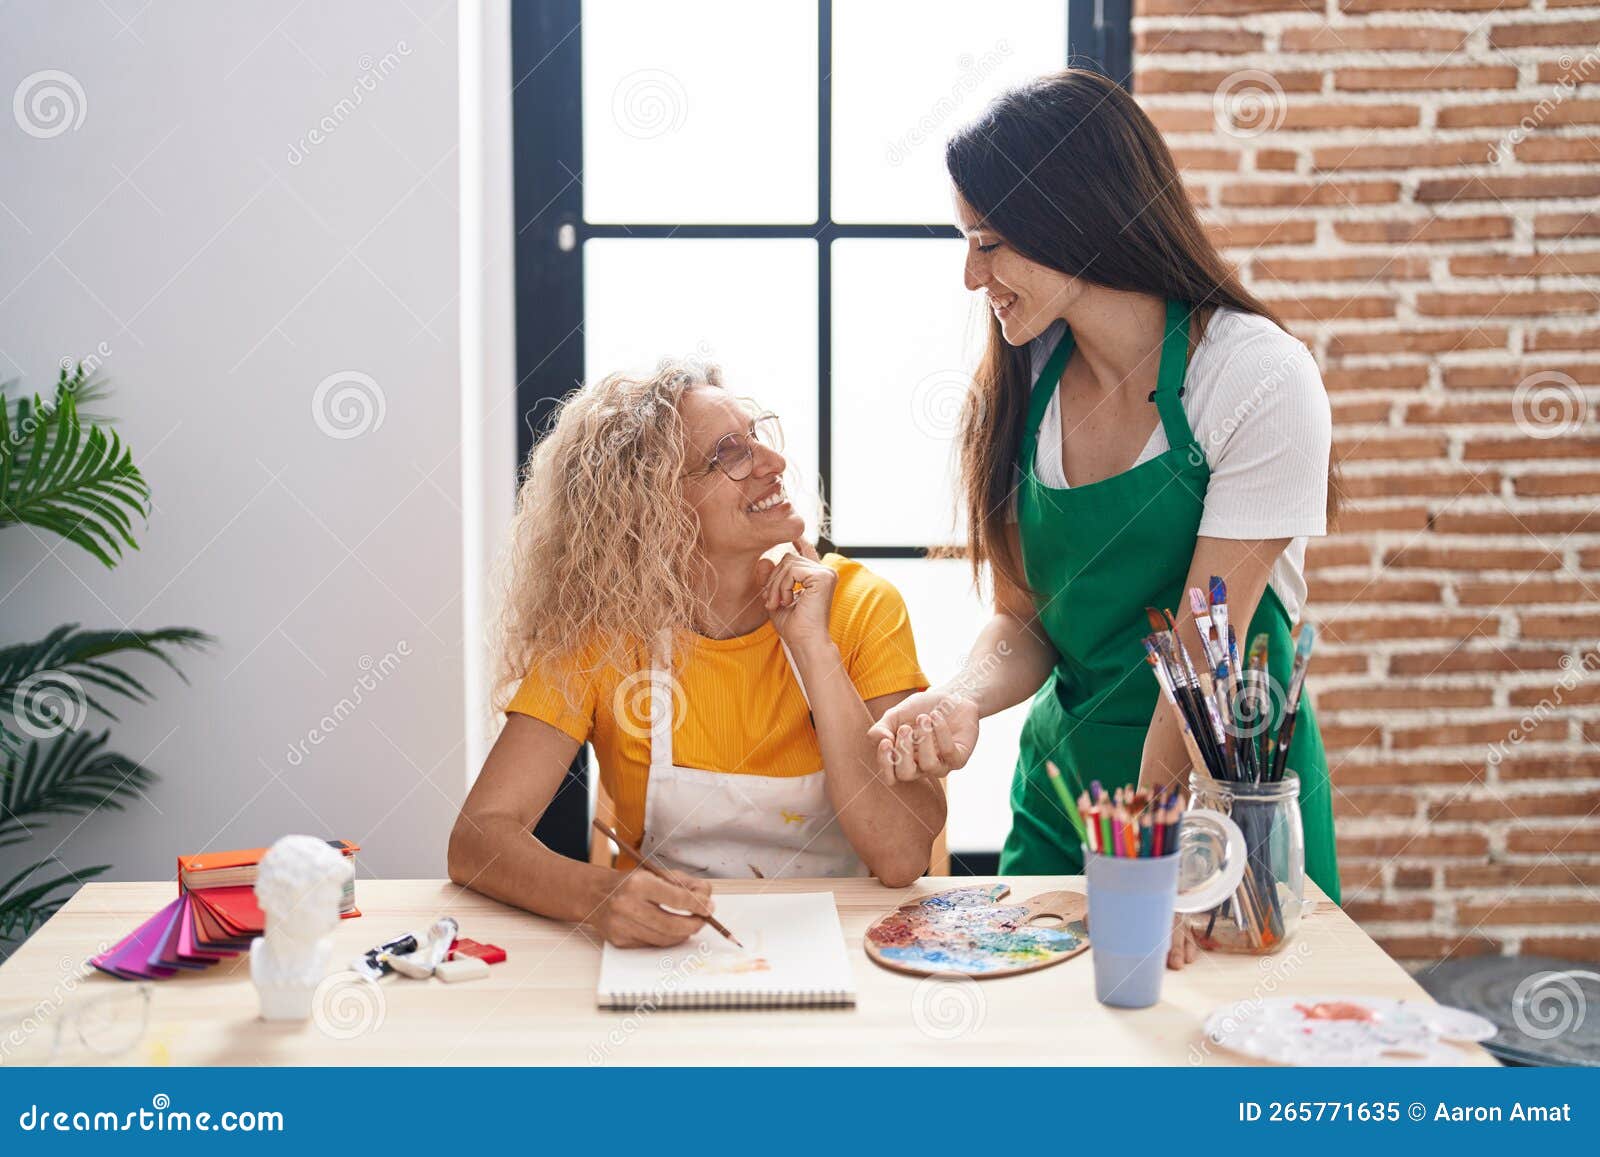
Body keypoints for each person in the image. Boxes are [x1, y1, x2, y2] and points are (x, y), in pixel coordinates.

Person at [869, 70, 1341, 968]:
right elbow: (1028, 619)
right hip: (1063, 787)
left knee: (1214, 1063)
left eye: (990, 242)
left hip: (1216, 803)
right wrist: (961, 699)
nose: (973, 275)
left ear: (1073, 222)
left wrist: (1153, 859)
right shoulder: (1019, 383)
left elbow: (1203, 654)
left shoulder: (1255, 378)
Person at [449, 359, 945, 947]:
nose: (775, 463)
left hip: (841, 952)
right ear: (653, 507)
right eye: (731, 454)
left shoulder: (860, 606)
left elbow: (901, 855)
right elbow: (477, 839)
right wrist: (600, 898)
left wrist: (814, 648)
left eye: (757, 437)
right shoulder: (601, 639)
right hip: (666, 955)